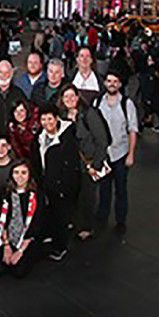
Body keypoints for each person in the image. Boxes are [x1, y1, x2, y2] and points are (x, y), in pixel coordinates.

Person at [58, 84, 110, 241]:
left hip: (88, 163)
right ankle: (74, 221)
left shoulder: (89, 114)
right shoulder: (62, 116)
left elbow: (102, 140)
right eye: (66, 97)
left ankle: (86, 226)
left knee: (87, 195)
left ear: (78, 96)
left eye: (72, 96)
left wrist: (96, 164)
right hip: (71, 164)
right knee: (73, 193)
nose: (69, 100)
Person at [33, 105, 80, 261]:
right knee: (49, 213)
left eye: (50, 119)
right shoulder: (39, 137)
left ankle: (60, 246)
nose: (47, 123)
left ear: (56, 118)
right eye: (43, 119)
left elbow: (72, 164)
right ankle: (51, 237)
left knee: (61, 216)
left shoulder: (67, 136)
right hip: (46, 183)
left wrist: (66, 186)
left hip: (62, 185)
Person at [94, 71, 138, 233]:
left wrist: (131, 154)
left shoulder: (127, 104)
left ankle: (121, 220)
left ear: (120, 84)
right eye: (109, 81)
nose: (112, 84)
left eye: (115, 81)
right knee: (104, 189)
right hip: (103, 154)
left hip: (121, 153)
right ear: (105, 83)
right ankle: (102, 217)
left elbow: (132, 130)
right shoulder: (98, 102)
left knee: (121, 189)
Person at [0, 159, 43, 278]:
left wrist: (20, 251)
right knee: (0, 269)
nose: (20, 176)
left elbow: (36, 225)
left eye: (24, 172)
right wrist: (6, 246)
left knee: (19, 272)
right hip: (7, 237)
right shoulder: (4, 192)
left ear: (30, 175)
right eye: (16, 172)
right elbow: (1, 220)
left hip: (27, 239)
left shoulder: (37, 195)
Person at [0, 60, 27, 137]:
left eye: (7, 72)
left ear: (12, 73)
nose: (3, 76)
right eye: (0, 72)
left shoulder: (19, 93)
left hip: (13, 139)